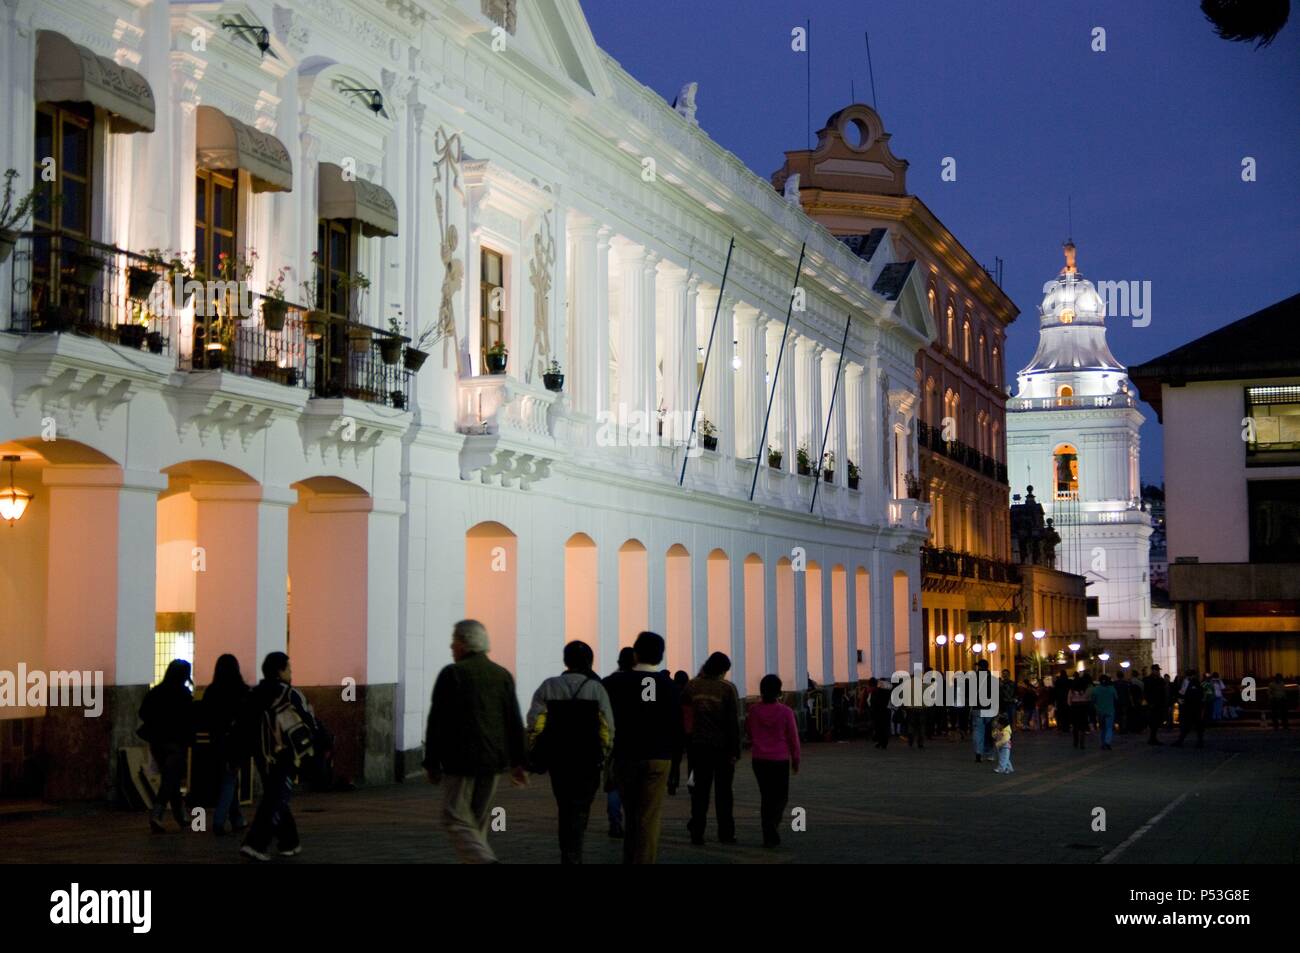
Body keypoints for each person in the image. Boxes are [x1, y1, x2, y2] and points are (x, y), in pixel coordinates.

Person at [423, 620, 528, 864]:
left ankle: (485, 860)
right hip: (494, 761)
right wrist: (519, 761)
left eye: (454, 640)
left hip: (461, 759)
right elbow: (513, 719)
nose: (451, 646)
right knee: (478, 822)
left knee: (454, 818)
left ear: (463, 644)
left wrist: (431, 762)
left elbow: (437, 720)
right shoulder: (501, 674)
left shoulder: (453, 674)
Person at [526, 640, 614, 864]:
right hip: (588, 758)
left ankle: (569, 850)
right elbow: (607, 728)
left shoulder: (549, 686)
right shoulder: (596, 689)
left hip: (559, 759)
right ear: (589, 662)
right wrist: (603, 753)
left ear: (566, 660)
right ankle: (574, 850)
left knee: (564, 805)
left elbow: (535, 722)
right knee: (581, 805)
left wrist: (536, 750)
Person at [602, 631, 683, 864]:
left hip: (626, 755)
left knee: (632, 814)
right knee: (649, 816)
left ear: (635, 653)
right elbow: (676, 725)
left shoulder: (613, 683)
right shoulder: (668, 685)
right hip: (658, 756)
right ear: (660, 656)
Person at [240, 652, 317, 860]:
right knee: (275, 798)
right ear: (280, 671)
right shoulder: (288, 694)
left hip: (262, 755)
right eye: (289, 668)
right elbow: (308, 720)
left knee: (276, 795)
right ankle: (256, 844)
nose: (291, 672)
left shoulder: (255, 693)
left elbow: (245, 725)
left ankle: (290, 841)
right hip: (286, 755)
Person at [681, 652, 741, 845]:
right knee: (724, 793)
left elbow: (685, 717)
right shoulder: (728, 689)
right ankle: (726, 833)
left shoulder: (691, 686)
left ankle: (697, 832)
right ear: (723, 670)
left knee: (700, 793)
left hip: (698, 748)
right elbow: (733, 723)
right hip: (723, 749)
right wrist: (735, 751)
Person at [137, 659, 195, 834]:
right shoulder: (184, 694)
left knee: (171, 777)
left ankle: (180, 816)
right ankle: (158, 813)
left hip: (157, 742)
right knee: (170, 778)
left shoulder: (156, 692)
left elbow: (143, 712)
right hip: (176, 742)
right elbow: (189, 719)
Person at [746, 674, 800, 848]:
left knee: (766, 796)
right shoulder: (786, 712)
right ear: (779, 691)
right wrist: (796, 759)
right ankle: (772, 826)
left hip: (759, 759)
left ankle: (768, 831)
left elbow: (750, 732)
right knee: (781, 797)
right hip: (779, 759)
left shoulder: (753, 711)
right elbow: (793, 738)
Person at [200, 654, 249, 835]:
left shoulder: (211, 690)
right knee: (230, 779)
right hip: (236, 741)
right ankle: (219, 821)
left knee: (228, 778)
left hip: (216, 740)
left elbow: (204, 715)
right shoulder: (242, 690)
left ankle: (236, 818)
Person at [604, 646, 636, 837]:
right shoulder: (642, 683)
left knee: (613, 784)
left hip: (613, 738)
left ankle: (615, 822)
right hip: (635, 739)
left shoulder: (608, 682)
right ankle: (634, 822)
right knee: (634, 785)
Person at [668, 670, 691, 795]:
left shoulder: (672, 691)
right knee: (692, 760)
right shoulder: (689, 692)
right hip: (689, 730)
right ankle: (692, 784)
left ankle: (672, 781)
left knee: (674, 760)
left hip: (674, 730)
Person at [1173, 669, 1206, 748]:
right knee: (1193, 725)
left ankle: (1182, 741)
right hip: (1191, 707)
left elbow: (1183, 692)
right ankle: (1197, 742)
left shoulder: (1191, 682)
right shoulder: (1191, 682)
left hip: (1192, 707)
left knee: (1191, 725)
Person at [1092, 674, 1118, 750]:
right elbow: (1116, 699)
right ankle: (1107, 742)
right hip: (1110, 711)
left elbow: (1093, 700)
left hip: (1100, 711)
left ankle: (1102, 743)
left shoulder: (1096, 689)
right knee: (1109, 727)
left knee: (1102, 728)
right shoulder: (1112, 689)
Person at [1143, 664, 1167, 745]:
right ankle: (1152, 738)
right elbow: (1147, 692)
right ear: (1153, 670)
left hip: (1159, 704)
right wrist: (1150, 703)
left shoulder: (1159, 680)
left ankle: (1153, 738)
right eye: (1157, 670)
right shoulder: (1149, 680)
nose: (1158, 672)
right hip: (1153, 704)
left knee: (1157, 721)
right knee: (1153, 721)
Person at [1068, 674, 1091, 749]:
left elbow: (1069, 701)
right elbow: (1089, 698)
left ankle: (1075, 741)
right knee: (1083, 726)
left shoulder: (1072, 690)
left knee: (1075, 726)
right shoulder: (1086, 689)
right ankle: (1082, 742)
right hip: (1083, 708)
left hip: (1074, 708)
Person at [868, 677, 892, 749]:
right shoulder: (888, 691)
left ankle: (880, 741)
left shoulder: (876, 691)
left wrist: (872, 710)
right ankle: (884, 742)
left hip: (878, 712)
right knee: (885, 727)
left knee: (879, 727)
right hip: (886, 711)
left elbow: (872, 702)